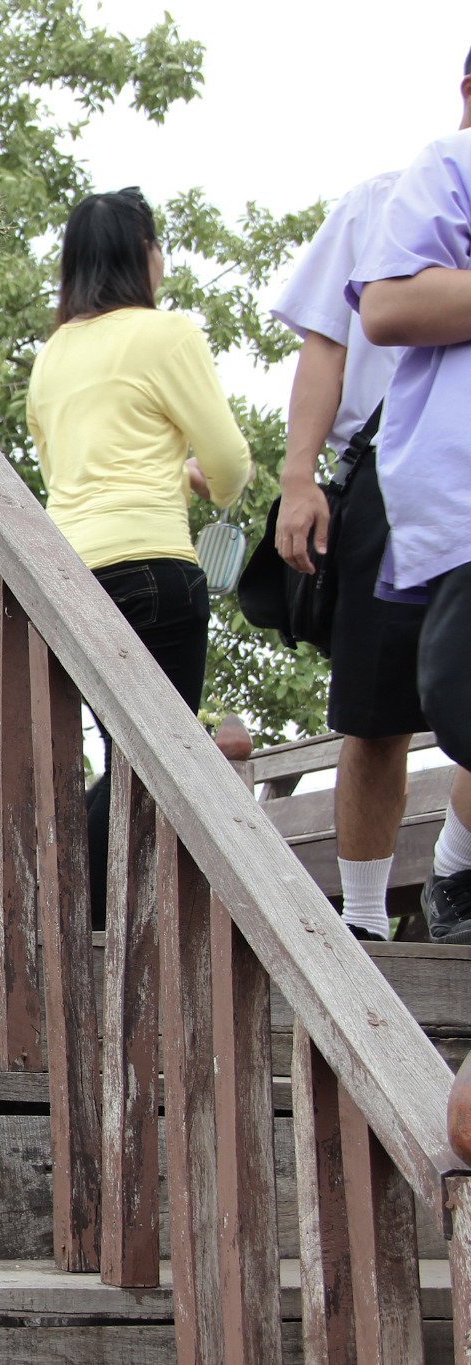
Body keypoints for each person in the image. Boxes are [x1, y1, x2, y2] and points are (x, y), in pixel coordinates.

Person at [274, 63, 471, 941]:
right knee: (375, 710)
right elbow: (328, 345)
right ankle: (360, 921)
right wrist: (298, 476)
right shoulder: (381, 200)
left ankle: (456, 867)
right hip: (388, 475)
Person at [25, 188, 253, 925]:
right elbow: (230, 459)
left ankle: (71, 903)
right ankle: (68, 902)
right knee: (159, 769)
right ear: (143, 254)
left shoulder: (52, 354)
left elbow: (65, 468)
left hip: (70, 579)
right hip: (155, 570)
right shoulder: (167, 334)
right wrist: (208, 484)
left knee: (131, 760)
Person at [349, 60, 471, 941]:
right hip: (456, 501)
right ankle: (383, 911)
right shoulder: (450, 165)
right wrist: (293, 480)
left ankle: (458, 865)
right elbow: (383, 307)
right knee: (424, 703)